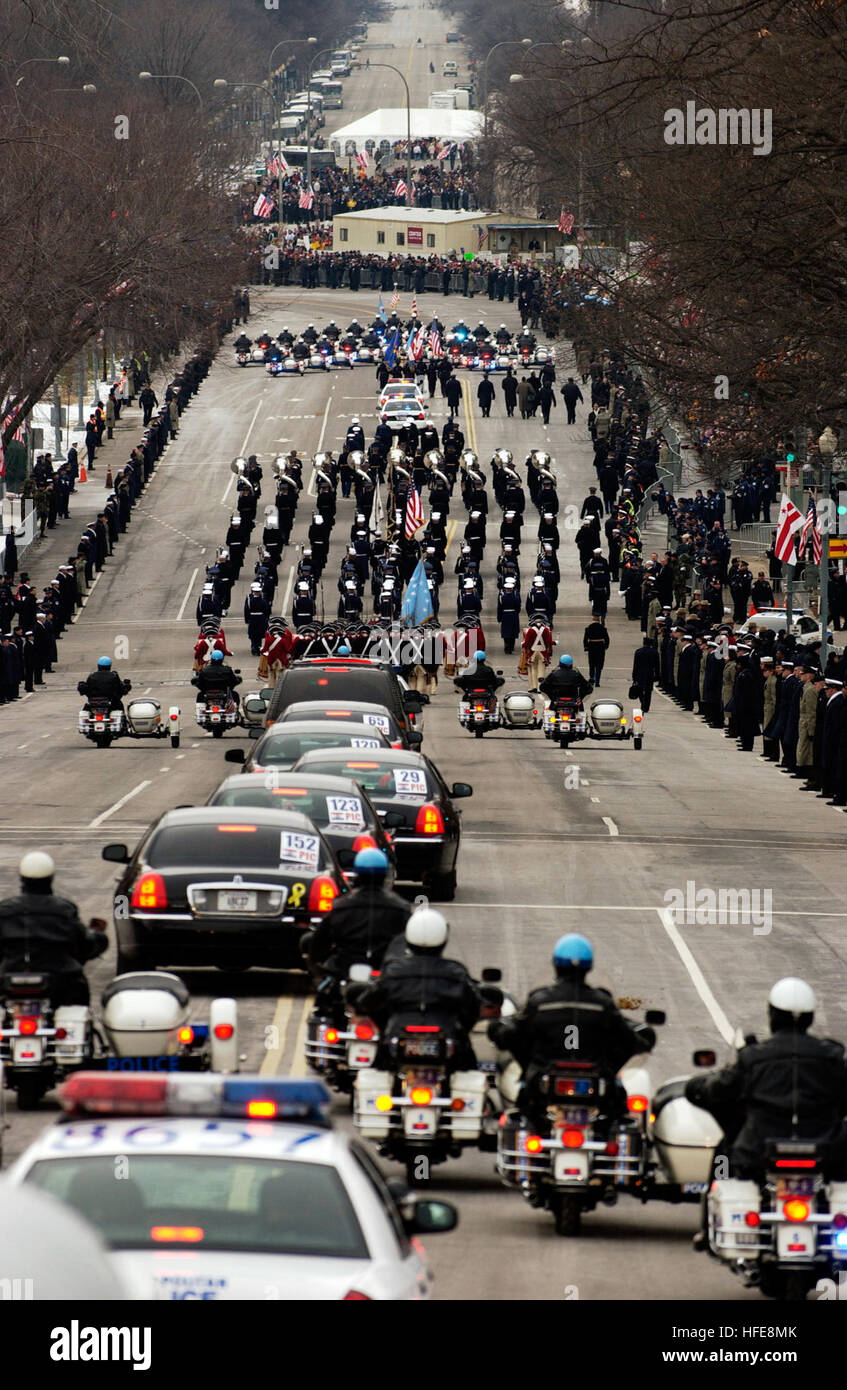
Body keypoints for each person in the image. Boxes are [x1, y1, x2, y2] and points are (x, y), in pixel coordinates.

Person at [687, 978, 847, 1188]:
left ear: (772, 1015)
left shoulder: (753, 1057)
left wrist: (699, 1086)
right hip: (827, 1150)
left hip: (757, 1150)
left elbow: (721, 1090)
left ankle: (718, 1187)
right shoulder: (832, 1057)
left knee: (724, 1151)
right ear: (810, 1017)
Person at [490, 934, 655, 1124]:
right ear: (589, 967)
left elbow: (513, 1035)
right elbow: (627, 1039)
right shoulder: (602, 1004)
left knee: (523, 1112)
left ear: (556, 965)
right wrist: (642, 1042)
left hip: (542, 1084)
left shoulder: (540, 1002)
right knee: (619, 1112)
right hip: (598, 1084)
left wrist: (500, 1032)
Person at [351, 908, 482, 1069]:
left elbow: (367, 1003)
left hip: (397, 1036)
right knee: (469, 1067)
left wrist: (384, 1025)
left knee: (377, 1070)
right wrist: (460, 1030)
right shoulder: (456, 973)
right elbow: (473, 1009)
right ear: (444, 938)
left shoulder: (393, 971)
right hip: (446, 1037)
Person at [0, 851, 107, 1005]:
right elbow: (83, 944)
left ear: (22, 878)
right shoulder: (64, 910)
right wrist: (98, 936)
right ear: (51, 878)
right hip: (60, 982)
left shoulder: (5, 910)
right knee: (79, 1008)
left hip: (9, 981)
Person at [305, 849, 410, 986]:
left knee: (325, 994)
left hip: (346, 967)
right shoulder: (400, 907)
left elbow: (321, 940)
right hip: (385, 969)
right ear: (384, 875)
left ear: (358, 874)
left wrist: (316, 960)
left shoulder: (341, 906)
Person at [631, 636, 660, 712]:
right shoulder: (654, 652)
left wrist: (634, 677)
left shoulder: (638, 652)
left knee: (640, 689)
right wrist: (657, 675)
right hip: (650, 673)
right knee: (648, 690)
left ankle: (642, 702)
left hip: (640, 673)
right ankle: (646, 706)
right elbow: (657, 665)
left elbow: (635, 665)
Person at [582, 614, 610, 687]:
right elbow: (607, 639)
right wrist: (605, 646)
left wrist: (586, 648)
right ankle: (597, 681)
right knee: (599, 664)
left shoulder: (588, 628)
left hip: (591, 646)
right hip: (600, 647)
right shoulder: (603, 628)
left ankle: (592, 678)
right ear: (599, 619)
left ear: (593, 619)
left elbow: (585, 639)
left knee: (592, 663)